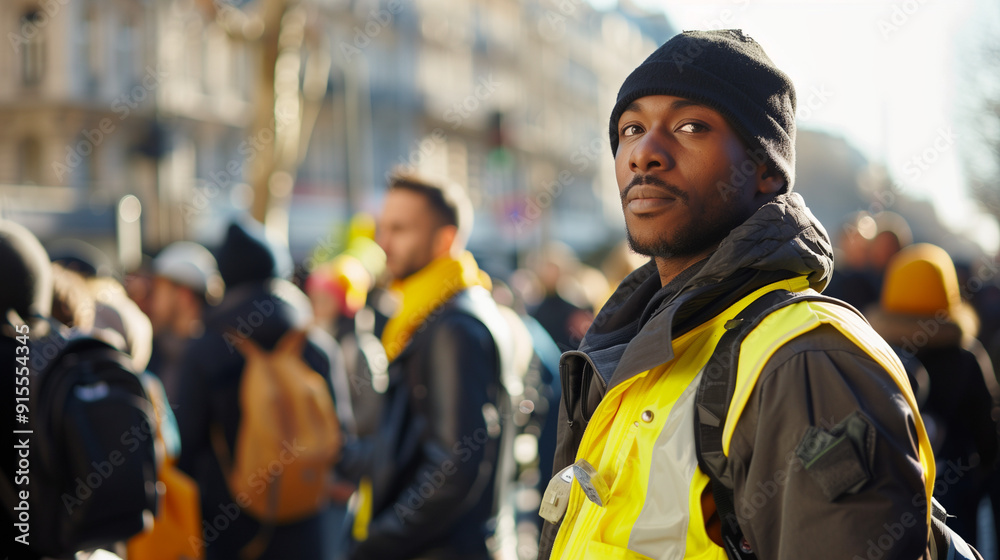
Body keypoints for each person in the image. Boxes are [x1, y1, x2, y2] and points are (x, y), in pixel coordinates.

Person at [539, 30, 937, 559]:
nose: (644, 153)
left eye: (690, 126)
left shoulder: (806, 361)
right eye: (631, 128)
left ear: (766, 171)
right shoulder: (632, 343)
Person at [339, 171, 512, 559]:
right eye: (382, 228)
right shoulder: (434, 312)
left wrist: (377, 541)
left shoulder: (453, 326)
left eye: (400, 229)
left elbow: (455, 467)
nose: (383, 242)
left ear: (444, 240)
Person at [173, 217, 354, 560]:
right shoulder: (313, 343)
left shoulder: (206, 348)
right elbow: (341, 434)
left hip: (230, 527)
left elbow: (188, 443)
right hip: (304, 518)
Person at [867, 243, 1000, 548]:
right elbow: (988, 437)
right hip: (955, 509)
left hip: (886, 505)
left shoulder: (873, 353)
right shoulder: (967, 358)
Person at [146, 241, 223, 400]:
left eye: (159, 290)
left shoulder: (218, 362)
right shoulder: (154, 353)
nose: (152, 301)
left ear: (184, 295)